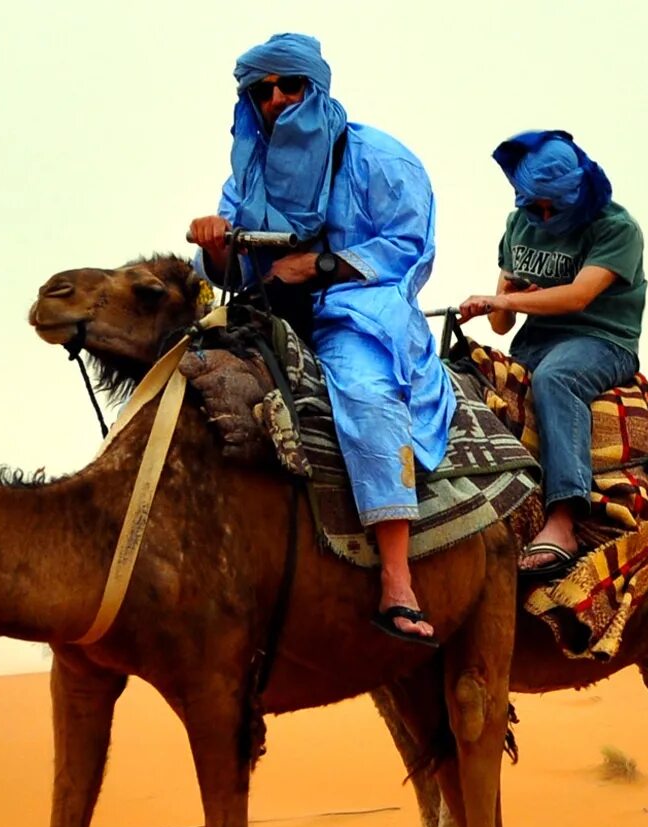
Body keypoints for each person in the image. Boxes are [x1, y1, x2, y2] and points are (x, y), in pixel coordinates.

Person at [185, 33, 455, 644]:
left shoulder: (382, 161)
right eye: (261, 90)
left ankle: (396, 578)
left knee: (364, 393)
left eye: (289, 86)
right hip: (269, 311)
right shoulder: (248, 172)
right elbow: (232, 270)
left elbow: (410, 249)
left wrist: (322, 266)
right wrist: (216, 246)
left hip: (358, 308)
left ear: (317, 88)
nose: (276, 99)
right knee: (182, 373)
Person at [456, 131, 647, 579]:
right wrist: (505, 297)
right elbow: (502, 327)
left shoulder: (616, 228)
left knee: (555, 380)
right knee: (464, 376)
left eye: (553, 207)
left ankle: (564, 518)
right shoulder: (519, 224)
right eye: (534, 206)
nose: (542, 215)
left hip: (601, 341)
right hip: (533, 343)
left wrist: (505, 301)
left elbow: (579, 297)